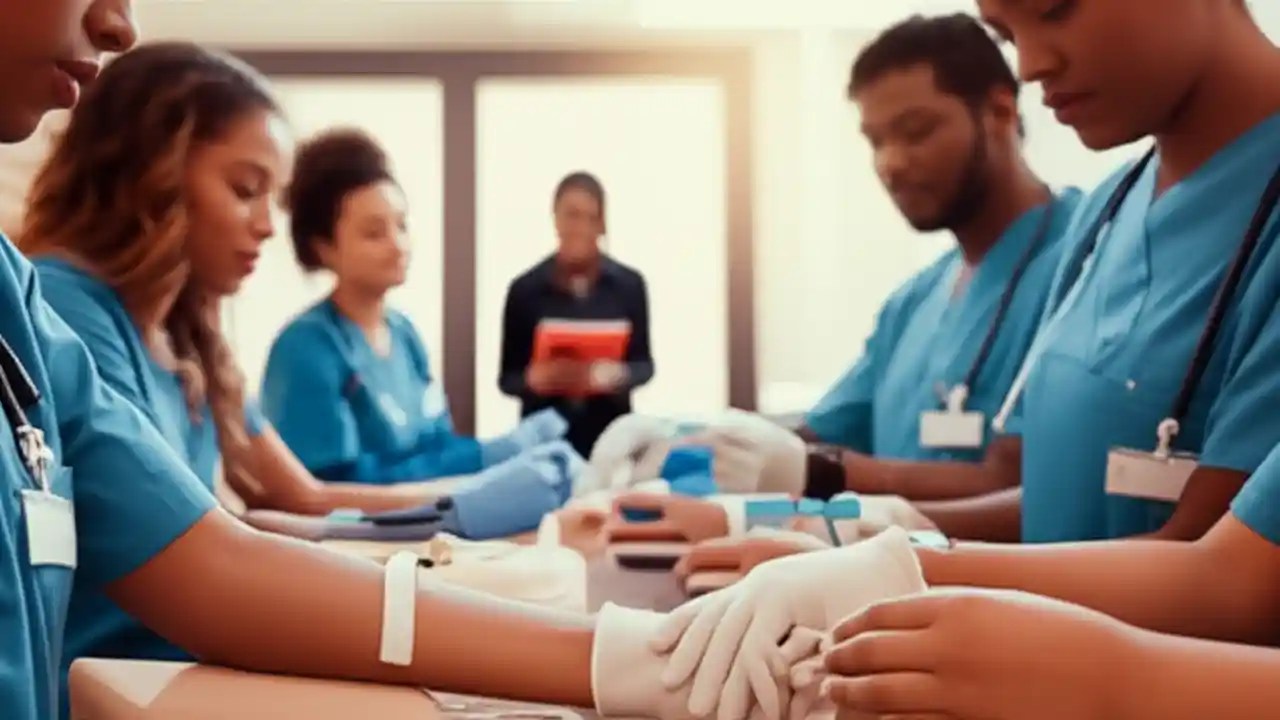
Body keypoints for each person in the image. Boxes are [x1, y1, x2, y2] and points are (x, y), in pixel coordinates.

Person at [0, 13, 785, 720]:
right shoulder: (88, 314)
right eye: (246, 190)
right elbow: (231, 548)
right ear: (151, 172)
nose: (117, 22)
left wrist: (612, 644)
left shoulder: (60, 310)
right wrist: (462, 518)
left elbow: (221, 543)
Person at [654, 1, 1280, 717]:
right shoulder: (1110, 213)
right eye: (1009, 34)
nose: (1032, 64)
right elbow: (1048, 503)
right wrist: (835, 531)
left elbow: (1230, 582)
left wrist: (894, 567)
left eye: (1056, 10)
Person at [605, 14, 1085, 548]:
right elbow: (817, 435)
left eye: (916, 131)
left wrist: (817, 478)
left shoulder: (1084, 260)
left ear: (1000, 109)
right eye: (875, 140)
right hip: (872, 586)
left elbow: (1022, 487)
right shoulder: (914, 301)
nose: (890, 163)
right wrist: (688, 438)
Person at [260, 129, 568, 484]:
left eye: (402, 225)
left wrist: (495, 455)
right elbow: (330, 488)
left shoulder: (404, 335)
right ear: (323, 247)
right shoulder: (307, 348)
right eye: (374, 233)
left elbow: (439, 446)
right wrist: (485, 457)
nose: (398, 245)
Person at [498, 172, 654, 458]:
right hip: (543, 441)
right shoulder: (525, 289)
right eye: (571, 215)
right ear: (555, 218)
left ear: (603, 224)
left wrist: (618, 374)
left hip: (609, 438)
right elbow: (507, 378)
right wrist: (533, 380)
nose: (580, 227)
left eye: (590, 217)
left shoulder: (630, 286)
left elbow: (644, 365)